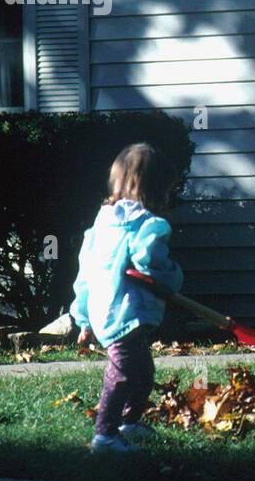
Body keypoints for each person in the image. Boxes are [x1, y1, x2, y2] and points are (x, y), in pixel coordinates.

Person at [70, 142, 183, 454]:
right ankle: (104, 435)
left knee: (142, 370)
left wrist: (83, 316)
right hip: (127, 313)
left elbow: (86, 271)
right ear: (156, 189)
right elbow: (150, 263)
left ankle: (129, 422)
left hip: (104, 311)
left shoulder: (102, 223)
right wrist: (173, 276)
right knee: (121, 374)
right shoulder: (148, 226)